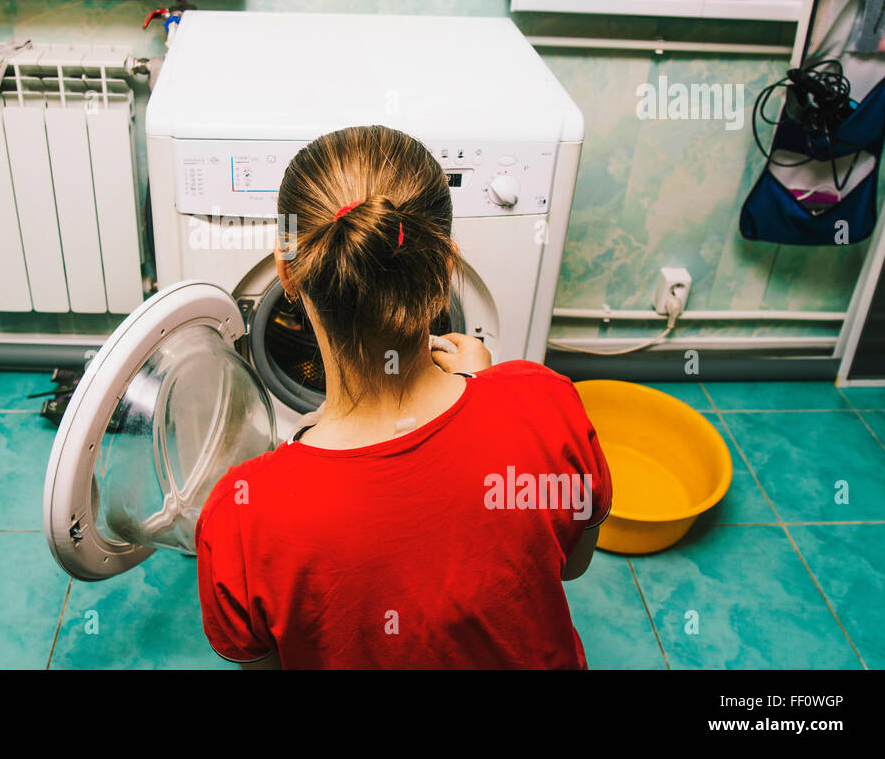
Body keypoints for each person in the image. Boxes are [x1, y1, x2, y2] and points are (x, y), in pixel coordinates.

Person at [194, 125, 611, 669]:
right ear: (444, 265)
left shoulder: (243, 516)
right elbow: (570, 564)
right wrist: (489, 389)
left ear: (285, 274)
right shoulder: (545, 403)